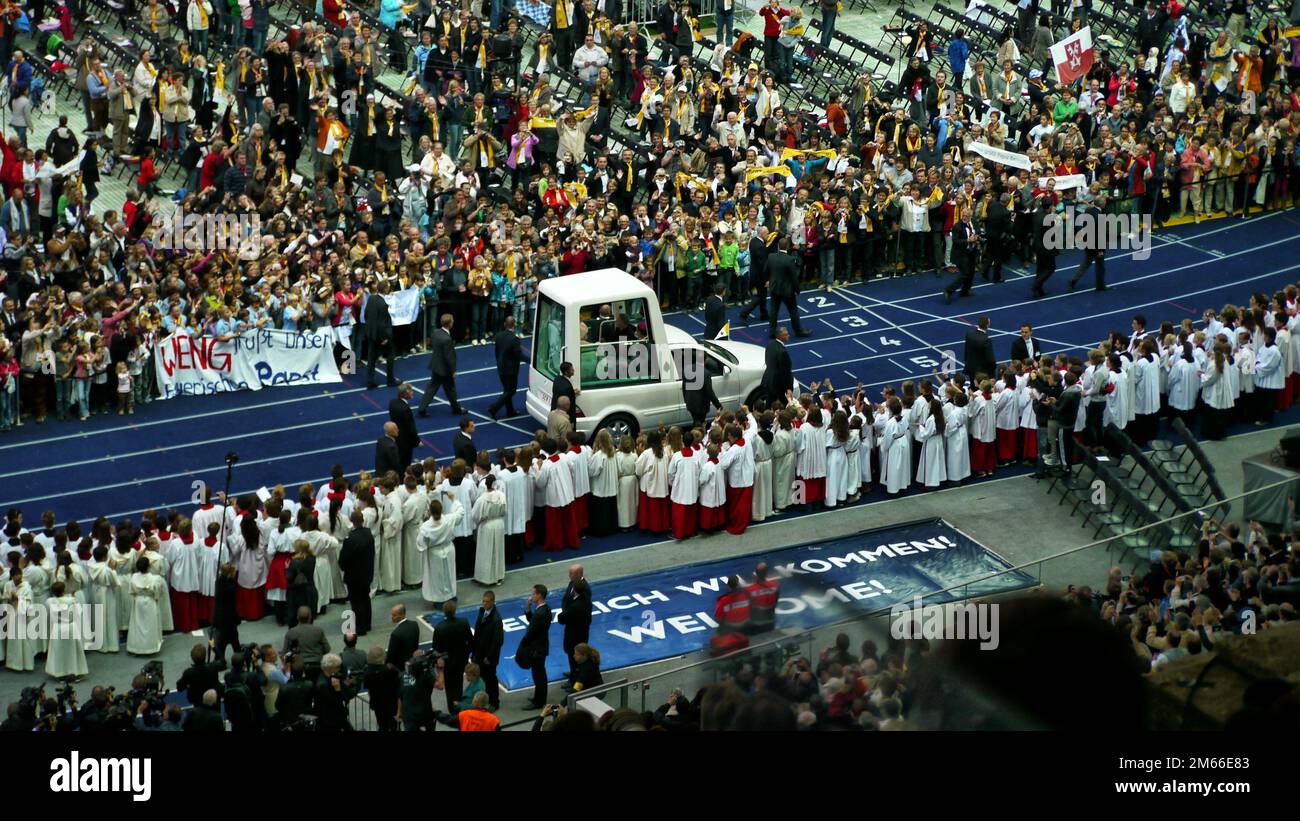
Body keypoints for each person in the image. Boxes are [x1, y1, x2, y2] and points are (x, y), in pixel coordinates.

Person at [416, 495, 462, 604]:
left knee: (437, 577)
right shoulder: (449, 519)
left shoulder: (425, 527)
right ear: (441, 509)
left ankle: (439, 599)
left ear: (430, 512)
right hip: (448, 549)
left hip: (434, 553)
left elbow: (420, 543)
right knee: (449, 573)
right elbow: (461, 512)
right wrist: (454, 499)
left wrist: (426, 545)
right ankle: (450, 595)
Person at [337, 510, 375, 635]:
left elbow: (343, 559)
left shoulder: (350, 539)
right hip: (367, 573)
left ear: (352, 522)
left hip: (354, 576)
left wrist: (343, 568)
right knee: (365, 598)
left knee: (356, 602)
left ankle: (360, 627)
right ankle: (368, 624)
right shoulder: (368, 534)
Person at [432, 599, 474, 710]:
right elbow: (471, 641)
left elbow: (436, 648)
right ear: (455, 611)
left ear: (443, 611)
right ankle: (459, 704)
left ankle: (452, 708)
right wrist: (466, 653)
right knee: (459, 682)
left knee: (450, 686)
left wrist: (439, 661)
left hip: (448, 662)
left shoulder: (439, 628)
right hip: (461, 660)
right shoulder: (463, 622)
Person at [418, 314, 463, 416]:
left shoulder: (435, 333)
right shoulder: (447, 339)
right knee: (450, 390)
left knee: (432, 388)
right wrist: (453, 370)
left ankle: (422, 408)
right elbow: (449, 357)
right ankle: (457, 409)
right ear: (450, 324)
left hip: (436, 366)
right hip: (445, 369)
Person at [767, 238, 810, 339]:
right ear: (787, 246)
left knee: (774, 311)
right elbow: (793, 277)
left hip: (775, 288)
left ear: (778, 246)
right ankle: (798, 331)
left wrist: (770, 281)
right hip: (787, 290)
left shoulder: (771, 257)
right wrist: (797, 290)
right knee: (793, 311)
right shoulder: (789, 259)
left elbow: (766, 270)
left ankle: (772, 332)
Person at [519, 584, 552, 709]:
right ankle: (538, 698)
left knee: (539, 675)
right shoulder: (544, 609)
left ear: (539, 595)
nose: (531, 596)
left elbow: (531, 631)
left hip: (538, 649)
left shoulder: (540, 613)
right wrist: (528, 609)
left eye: (533, 594)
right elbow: (533, 622)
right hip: (541, 646)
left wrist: (523, 644)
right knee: (539, 674)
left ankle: (539, 702)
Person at [473, 590, 505, 710]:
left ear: (493, 601)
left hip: (489, 657)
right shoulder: (482, 612)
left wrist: (489, 657)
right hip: (479, 654)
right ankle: (484, 700)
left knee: (491, 679)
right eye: (483, 601)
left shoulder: (496, 619)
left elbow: (498, 641)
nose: (484, 604)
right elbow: (477, 633)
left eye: (487, 602)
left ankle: (494, 702)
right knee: (482, 678)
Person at [487, 315, 524, 419]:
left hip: (501, 367)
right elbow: (518, 355)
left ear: (504, 324)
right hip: (511, 369)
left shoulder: (498, 335)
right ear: (514, 325)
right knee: (511, 390)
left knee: (507, 390)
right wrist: (531, 360)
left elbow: (497, 351)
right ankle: (494, 408)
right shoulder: (514, 339)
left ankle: (510, 411)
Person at [559, 564, 592, 678]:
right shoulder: (572, 583)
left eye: (571, 573)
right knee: (571, 652)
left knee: (578, 654)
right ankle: (573, 672)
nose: (569, 575)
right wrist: (566, 611)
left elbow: (580, 611)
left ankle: (577, 678)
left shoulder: (585, 589)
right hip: (571, 626)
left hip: (579, 630)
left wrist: (567, 614)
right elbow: (565, 599)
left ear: (578, 574)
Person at [126, 556, 165, 655]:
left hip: (138, 601)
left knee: (138, 624)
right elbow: (159, 592)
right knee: (150, 624)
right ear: (149, 566)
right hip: (150, 601)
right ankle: (150, 647)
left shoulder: (134, 577)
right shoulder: (155, 579)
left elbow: (131, 591)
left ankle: (137, 647)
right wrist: (155, 597)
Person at [943, 208, 980, 304]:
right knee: (965, 274)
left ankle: (965, 291)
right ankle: (949, 290)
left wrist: (977, 237)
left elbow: (978, 231)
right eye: (963, 215)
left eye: (967, 216)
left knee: (971, 272)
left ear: (970, 216)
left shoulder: (974, 223)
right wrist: (968, 240)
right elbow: (955, 241)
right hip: (960, 253)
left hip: (972, 252)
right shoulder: (957, 226)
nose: (964, 217)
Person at [364, 287, 397, 389]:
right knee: (390, 356)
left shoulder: (371, 298)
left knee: (371, 358)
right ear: (386, 290)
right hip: (381, 335)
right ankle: (390, 380)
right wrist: (385, 337)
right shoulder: (383, 304)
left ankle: (370, 382)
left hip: (371, 333)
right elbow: (382, 323)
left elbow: (366, 314)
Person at [363, 645, 400, 731]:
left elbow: (368, 690)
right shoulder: (390, 669)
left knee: (382, 725)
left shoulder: (367, 672)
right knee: (394, 725)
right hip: (392, 704)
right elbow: (398, 686)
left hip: (378, 704)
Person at [388, 384, 420, 470]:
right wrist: (417, 441)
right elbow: (410, 427)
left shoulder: (392, 403)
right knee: (405, 463)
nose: (412, 393)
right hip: (405, 441)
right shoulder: (405, 409)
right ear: (405, 394)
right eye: (410, 391)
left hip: (395, 437)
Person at [745, 562, 779, 635]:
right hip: (770, 620)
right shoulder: (775, 585)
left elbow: (747, 608)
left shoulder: (749, 590)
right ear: (766, 572)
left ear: (756, 573)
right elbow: (776, 601)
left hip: (755, 623)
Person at [386, 603, 420, 670]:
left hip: (400, 666)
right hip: (414, 661)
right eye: (392, 614)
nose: (392, 617)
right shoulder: (414, 624)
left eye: (394, 615)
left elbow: (391, 655)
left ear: (402, 615)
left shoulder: (396, 634)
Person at [963, 317, 996, 381]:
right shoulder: (986, 340)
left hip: (971, 368)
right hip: (982, 373)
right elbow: (990, 359)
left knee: (973, 387)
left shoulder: (969, 335)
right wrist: (993, 371)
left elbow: (966, 352)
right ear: (987, 325)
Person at [551, 361, 579, 426]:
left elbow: (561, 393)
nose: (573, 370)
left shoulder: (557, 379)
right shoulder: (567, 387)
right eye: (571, 370)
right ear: (566, 372)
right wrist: (571, 420)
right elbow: (568, 404)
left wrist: (572, 392)